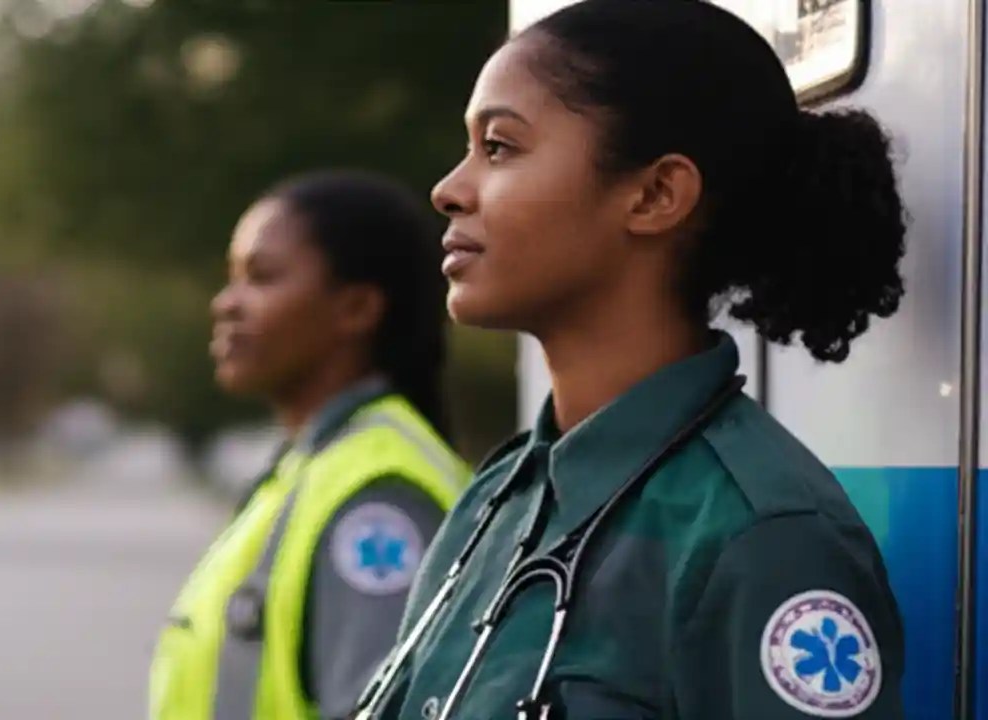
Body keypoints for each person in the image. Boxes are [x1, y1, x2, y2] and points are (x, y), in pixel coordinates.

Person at [353, 1, 907, 718]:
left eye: (499, 147)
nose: (449, 189)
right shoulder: (499, 498)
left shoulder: (764, 540)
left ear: (654, 195)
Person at [148, 170, 470, 720]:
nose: (227, 304)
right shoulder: (308, 466)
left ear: (357, 309)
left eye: (262, 277)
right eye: (231, 279)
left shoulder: (377, 497)